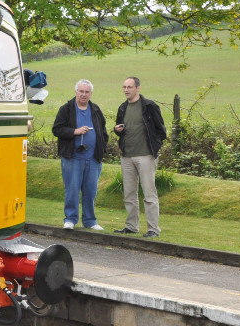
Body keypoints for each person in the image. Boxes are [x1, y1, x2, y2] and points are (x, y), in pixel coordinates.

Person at [51, 79, 108, 231]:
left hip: (93, 158)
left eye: (87, 92)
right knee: (72, 189)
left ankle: (90, 221)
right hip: (73, 157)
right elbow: (57, 129)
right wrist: (74, 132)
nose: (84, 94)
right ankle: (70, 219)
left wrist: (101, 150)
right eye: (81, 91)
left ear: (91, 94)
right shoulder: (67, 109)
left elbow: (103, 131)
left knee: (91, 191)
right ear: (76, 92)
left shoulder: (95, 109)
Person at [113, 77, 166, 238]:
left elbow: (161, 130)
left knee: (149, 194)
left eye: (130, 87)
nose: (126, 90)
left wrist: (154, 147)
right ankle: (131, 226)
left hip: (146, 156)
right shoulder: (122, 108)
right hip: (127, 156)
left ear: (138, 88)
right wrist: (117, 130)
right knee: (129, 194)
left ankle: (153, 229)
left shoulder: (149, 106)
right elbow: (120, 129)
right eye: (124, 87)